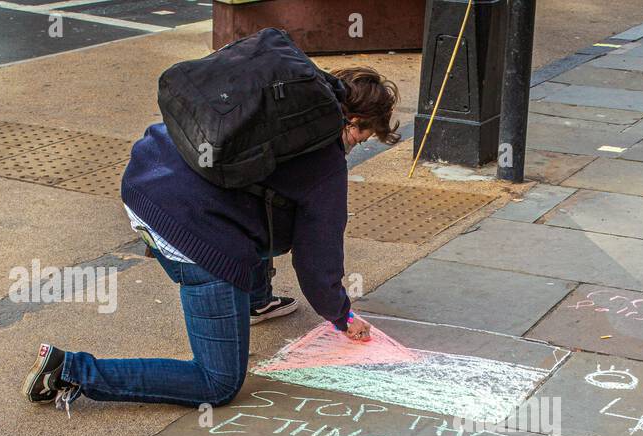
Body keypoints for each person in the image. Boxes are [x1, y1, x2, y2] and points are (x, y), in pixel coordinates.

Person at [23, 65, 399, 414]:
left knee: (259, 208)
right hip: (186, 226)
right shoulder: (325, 160)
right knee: (217, 383)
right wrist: (341, 314)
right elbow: (317, 260)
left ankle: (255, 301)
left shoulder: (277, 97)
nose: (356, 147)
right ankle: (70, 370)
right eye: (363, 138)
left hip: (145, 177)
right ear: (353, 122)